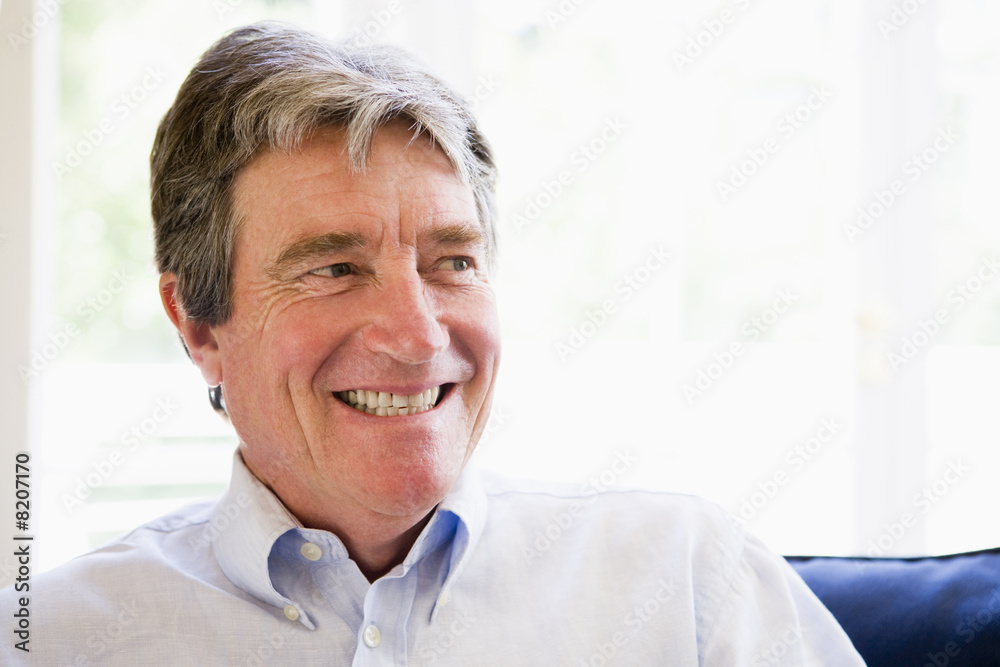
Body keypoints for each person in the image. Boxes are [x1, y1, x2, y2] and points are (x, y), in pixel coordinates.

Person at [1, 22, 865, 665]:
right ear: (198, 325)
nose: (418, 336)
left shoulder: (689, 585)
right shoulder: (50, 640)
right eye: (334, 268)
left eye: (453, 261)